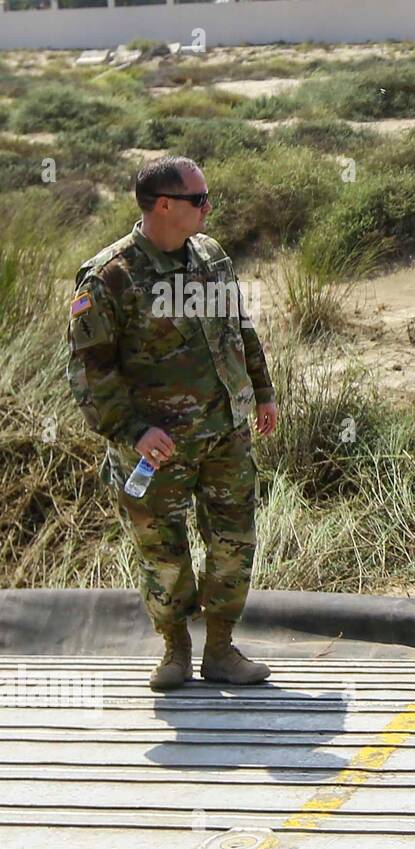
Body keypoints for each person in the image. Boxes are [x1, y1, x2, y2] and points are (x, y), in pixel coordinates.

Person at [66, 155, 276, 691]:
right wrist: (133, 430)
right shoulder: (109, 276)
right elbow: (91, 372)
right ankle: (175, 651)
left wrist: (262, 392)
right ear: (165, 205)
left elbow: (239, 328)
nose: (208, 207)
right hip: (153, 446)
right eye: (198, 199)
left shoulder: (211, 256)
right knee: (162, 550)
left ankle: (221, 649)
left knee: (233, 540)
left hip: (225, 431)